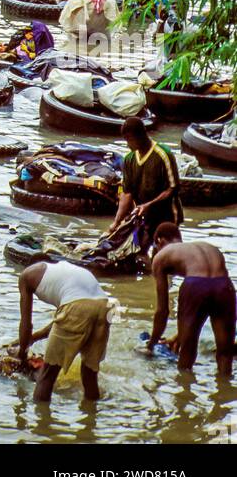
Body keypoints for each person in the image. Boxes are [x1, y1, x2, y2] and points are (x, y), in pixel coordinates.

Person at [148, 223, 235, 377]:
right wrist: (179, 334)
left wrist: (151, 345)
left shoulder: (161, 256)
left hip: (195, 286)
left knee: (187, 353)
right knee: (225, 352)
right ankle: (223, 395)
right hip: (224, 286)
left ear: (159, 241)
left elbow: (162, 311)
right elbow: (212, 289)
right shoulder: (207, 246)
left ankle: (184, 394)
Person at [18, 260, 110, 402]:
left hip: (76, 306)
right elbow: (66, 319)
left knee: (47, 376)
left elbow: (26, 324)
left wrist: (22, 354)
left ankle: (41, 421)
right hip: (105, 306)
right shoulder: (64, 271)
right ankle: (91, 418)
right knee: (90, 374)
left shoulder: (26, 276)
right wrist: (34, 338)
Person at [108, 116, 183, 251]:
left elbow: (173, 188)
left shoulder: (163, 154)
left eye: (129, 139)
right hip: (145, 218)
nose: (128, 144)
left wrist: (149, 205)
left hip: (166, 217)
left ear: (140, 136)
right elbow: (127, 193)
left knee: (165, 256)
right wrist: (116, 221)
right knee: (139, 252)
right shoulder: (129, 160)